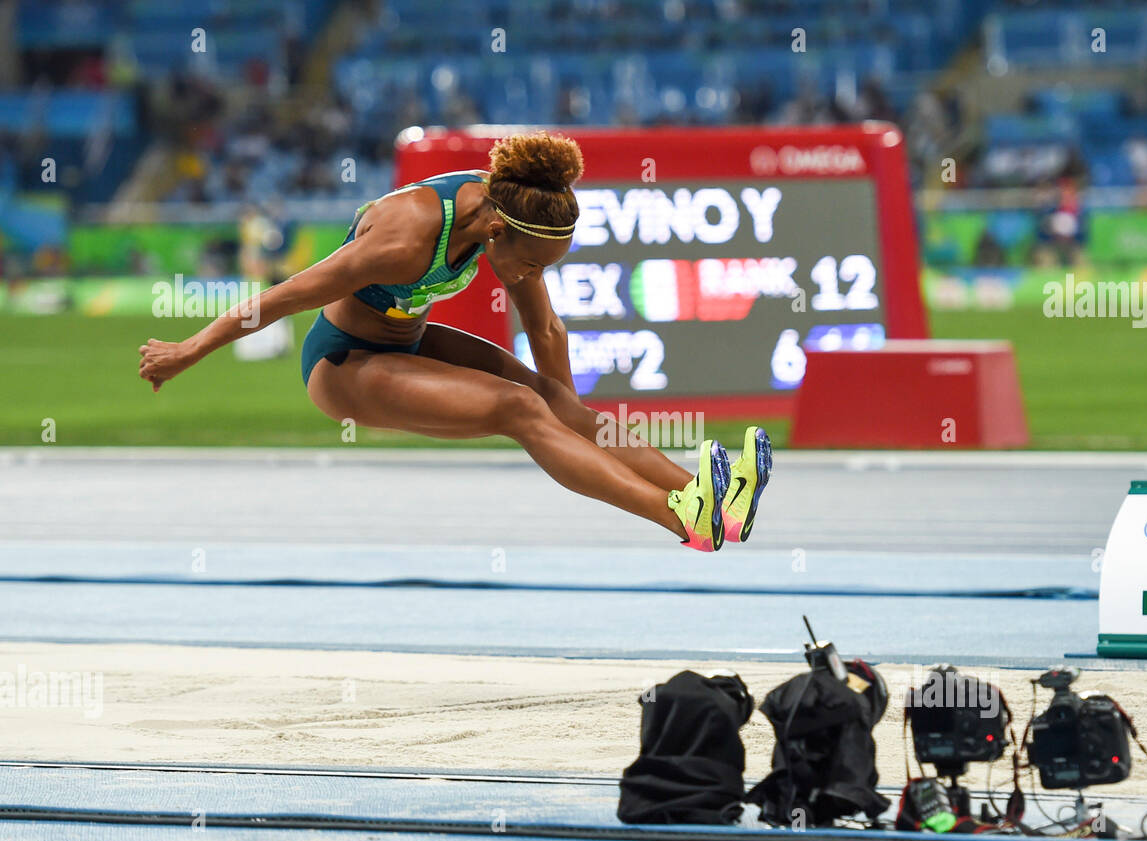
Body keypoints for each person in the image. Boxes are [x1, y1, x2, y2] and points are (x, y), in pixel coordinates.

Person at [138, 131, 771, 551]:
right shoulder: (406, 236)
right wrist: (186, 351)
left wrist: (572, 426)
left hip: (407, 346)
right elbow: (281, 298)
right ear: (496, 232)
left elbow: (547, 331)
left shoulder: (514, 211)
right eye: (532, 264)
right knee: (520, 408)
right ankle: (682, 520)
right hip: (344, 364)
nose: (533, 276)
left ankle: (711, 499)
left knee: (547, 399)